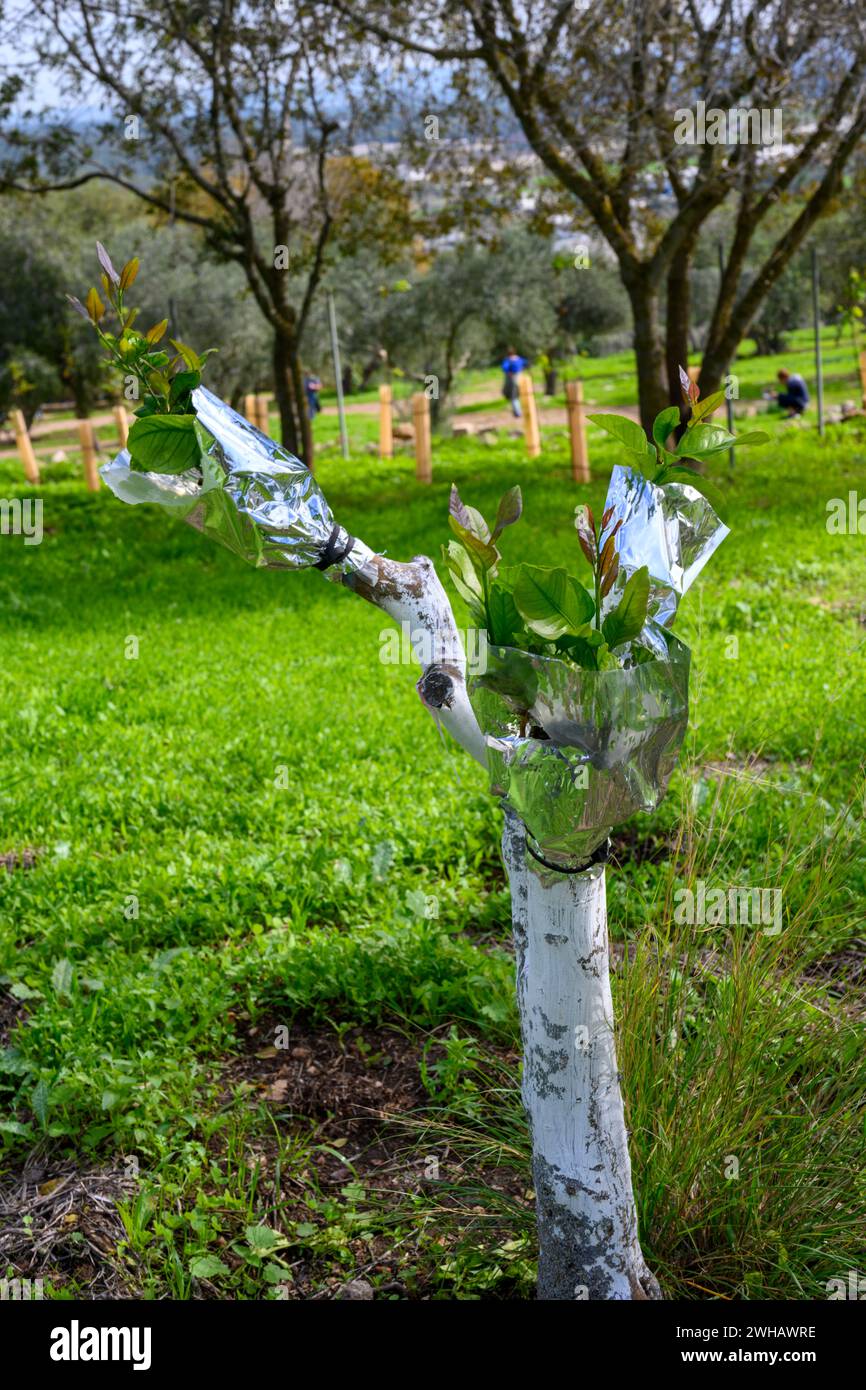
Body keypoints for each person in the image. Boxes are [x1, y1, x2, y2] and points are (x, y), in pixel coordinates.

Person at [501, 348, 528, 418]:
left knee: (513, 397)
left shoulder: (508, 360)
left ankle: (518, 412)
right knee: (519, 396)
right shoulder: (519, 359)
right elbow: (526, 363)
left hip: (513, 379)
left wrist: (509, 372)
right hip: (521, 378)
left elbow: (504, 368)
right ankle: (521, 410)